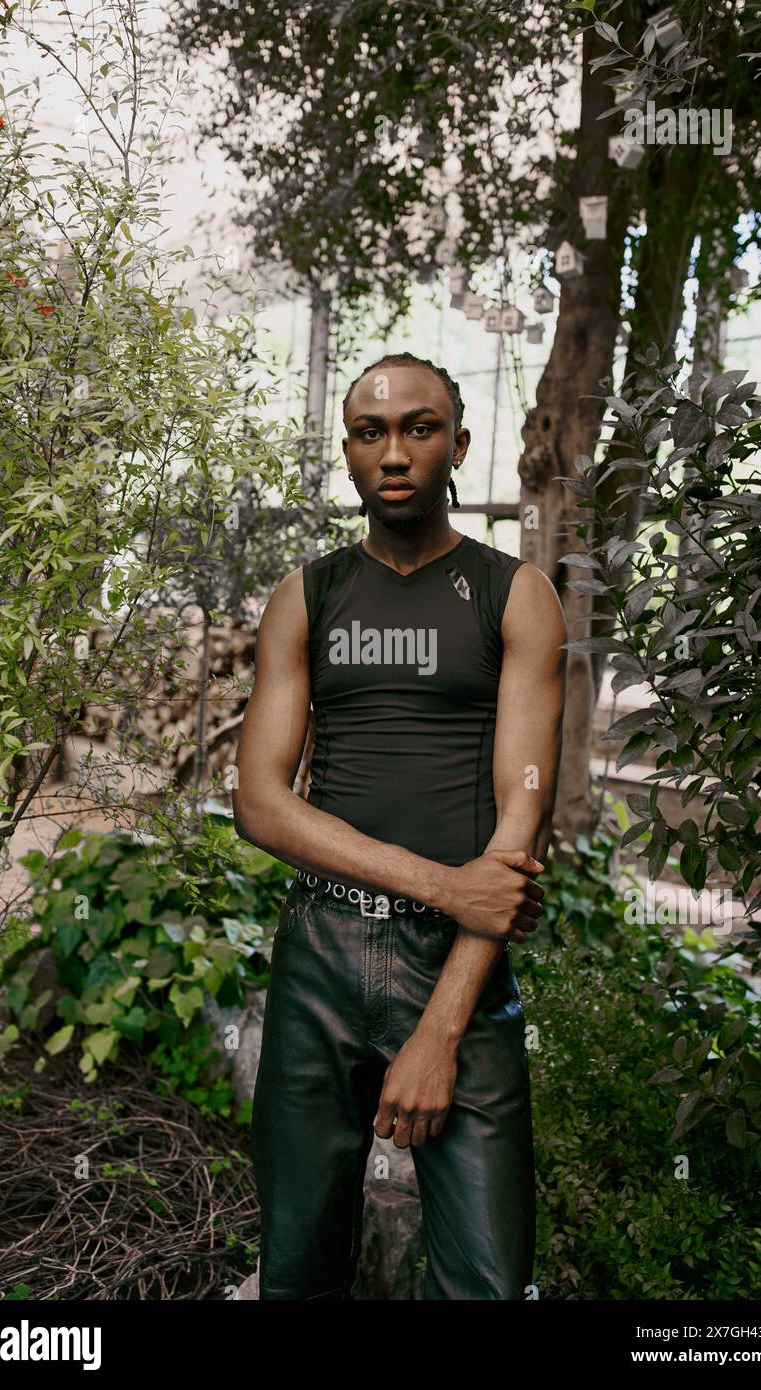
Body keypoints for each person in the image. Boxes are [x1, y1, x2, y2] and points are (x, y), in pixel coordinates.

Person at [233, 351, 567, 1300]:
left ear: (458, 444)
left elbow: (519, 827)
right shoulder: (308, 597)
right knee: (298, 1266)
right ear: (347, 451)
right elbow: (258, 800)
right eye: (370, 432)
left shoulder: (517, 597)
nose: (394, 452)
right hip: (319, 959)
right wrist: (438, 879)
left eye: (420, 429)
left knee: (489, 1283)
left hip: (460, 961)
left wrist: (441, 1026)